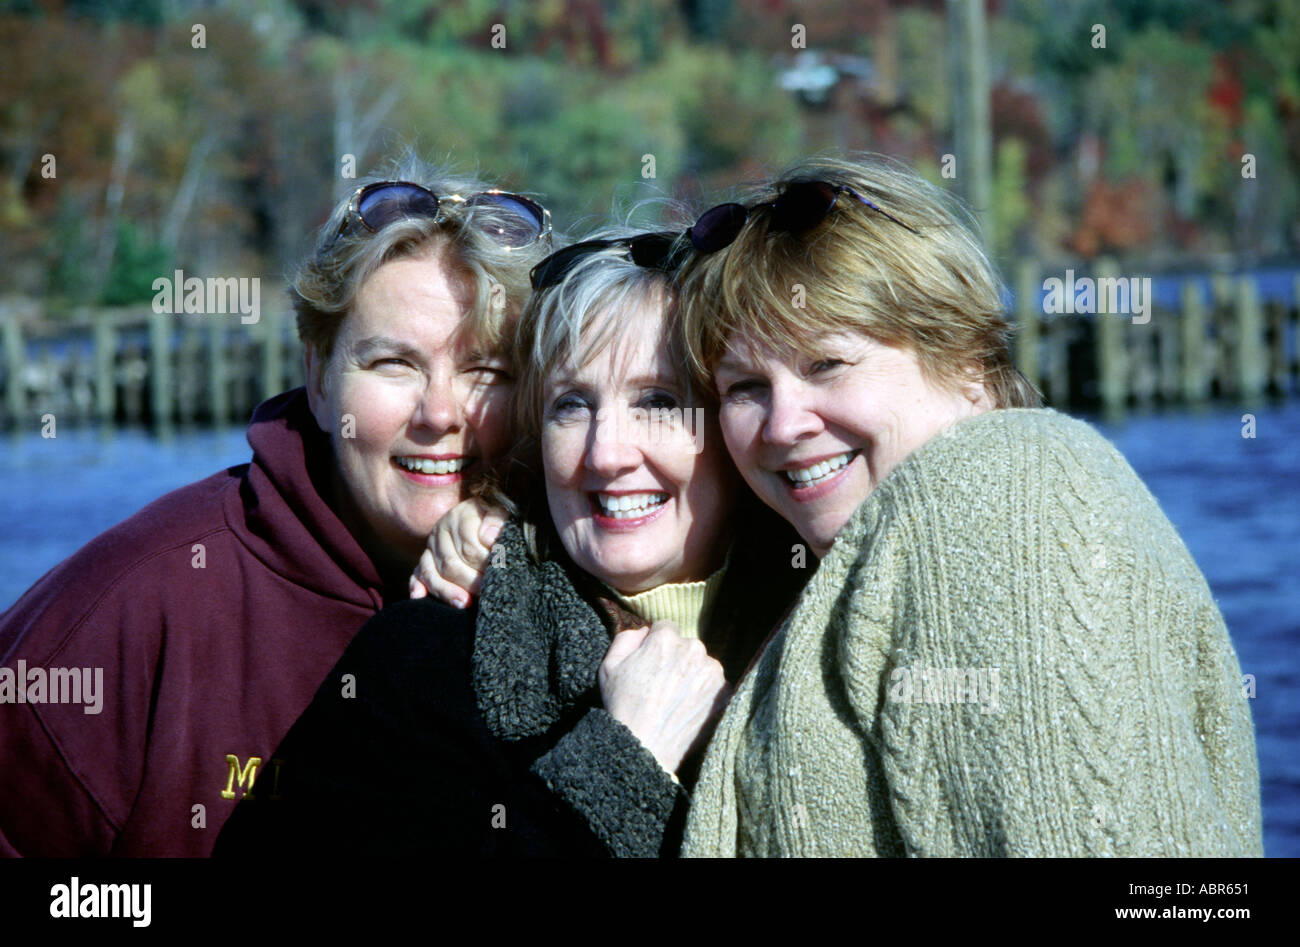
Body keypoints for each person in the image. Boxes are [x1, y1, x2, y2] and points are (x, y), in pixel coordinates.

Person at [672, 155, 1263, 857]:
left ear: (966, 367)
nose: (782, 423)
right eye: (745, 387)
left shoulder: (1007, 499)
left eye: (825, 364)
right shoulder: (866, 557)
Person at [0, 155, 553, 855]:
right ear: (318, 378)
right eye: (394, 363)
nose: (439, 412)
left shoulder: (582, 589)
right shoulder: (138, 603)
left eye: (487, 370)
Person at [214, 229, 805, 857]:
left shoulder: (822, 625)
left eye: (658, 402)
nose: (605, 453)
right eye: (571, 405)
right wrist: (620, 766)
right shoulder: (424, 664)